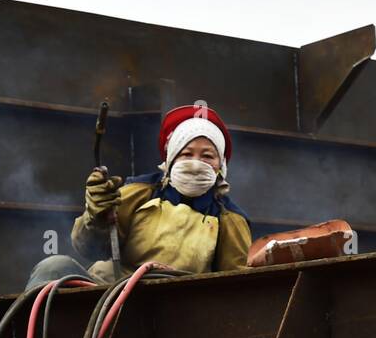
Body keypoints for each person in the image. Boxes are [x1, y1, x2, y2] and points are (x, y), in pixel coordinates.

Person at [25, 104, 252, 290]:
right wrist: (96, 216)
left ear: (220, 166)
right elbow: (90, 249)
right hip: (110, 294)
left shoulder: (230, 219)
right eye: (186, 153)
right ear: (170, 159)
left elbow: (233, 289)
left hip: (179, 309)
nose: (196, 162)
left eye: (207, 156)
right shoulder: (138, 192)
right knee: (53, 267)